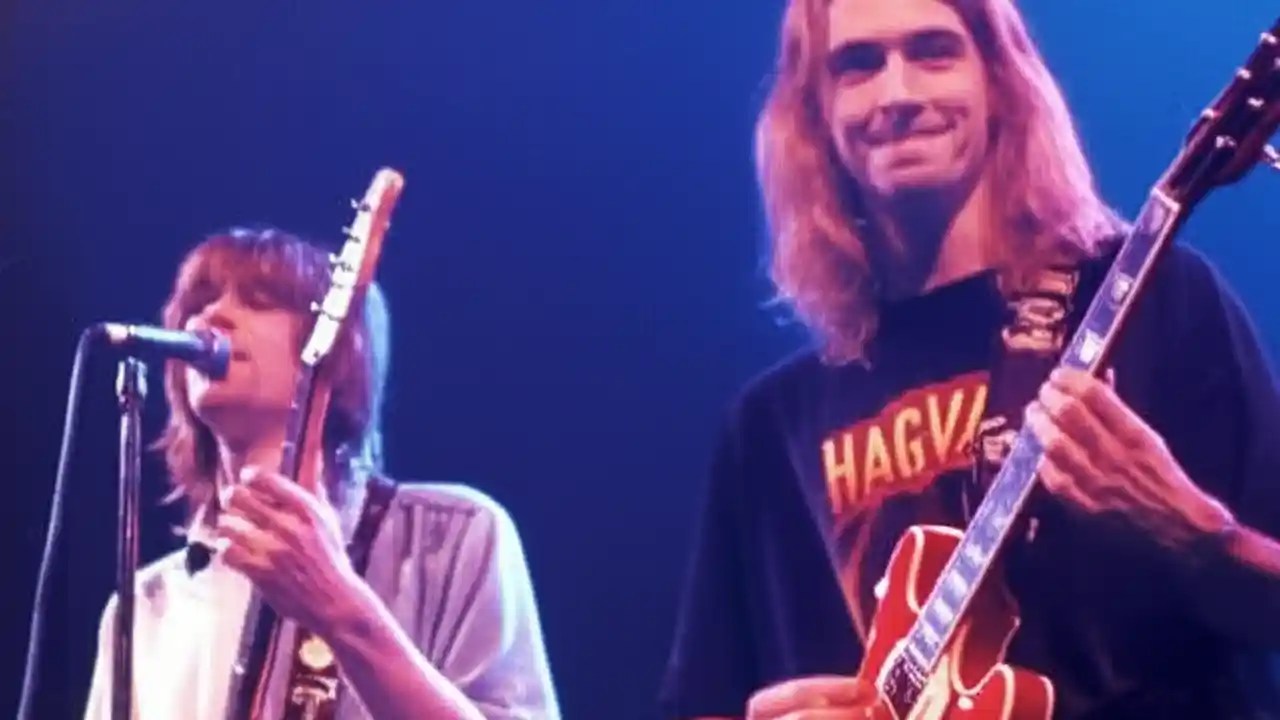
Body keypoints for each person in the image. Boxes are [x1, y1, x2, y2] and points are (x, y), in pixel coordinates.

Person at [660, 0, 1280, 718]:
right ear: (815, 115)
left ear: (1000, 83)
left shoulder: (1151, 301)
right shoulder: (770, 427)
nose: (897, 94)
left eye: (933, 52)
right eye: (857, 65)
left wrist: (1195, 535)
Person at [82, 226, 561, 719]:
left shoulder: (452, 539)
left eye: (258, 300)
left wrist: (339, 606)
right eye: (199, 302)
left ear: (337, 347)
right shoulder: (144, 606)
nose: (211, 316)